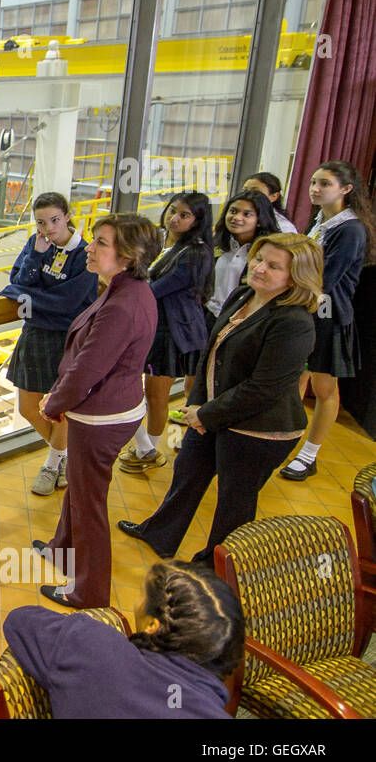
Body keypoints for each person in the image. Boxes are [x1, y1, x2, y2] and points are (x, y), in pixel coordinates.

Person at [120, 235, 320, 560]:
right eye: (258, 260)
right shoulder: (243, 295)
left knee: (234, 502)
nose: (259, 268)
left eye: (273, 266)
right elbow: (210, 354)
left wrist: (207, 415)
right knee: (188, 473)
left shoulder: (294, 323)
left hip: (259, 430)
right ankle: (159, 534)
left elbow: (262, 389)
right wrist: (197, 405)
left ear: (297, 277)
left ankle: (216, 568)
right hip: (216, 414)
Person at [35, 213, 162, 609]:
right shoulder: (125, 288)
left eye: (101, 243)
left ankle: (87, 590)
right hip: (107, 410)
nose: (89, 247)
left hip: (102, 417)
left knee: (90, 503)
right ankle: (62, 549)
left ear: (128, 256)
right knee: (79, 486)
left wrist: (54, 402)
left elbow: (89, 366)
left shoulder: (123, 303)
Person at [2, 560, 242, 718]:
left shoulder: (93, 647)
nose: (136, 603)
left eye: (142, 597)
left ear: (152, 625)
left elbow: (20, 620)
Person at [0, 192, 98, 496]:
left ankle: (52, 465)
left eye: (54, 220)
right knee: (29, 408)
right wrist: (37, 256)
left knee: (61, 410)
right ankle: (65, 456)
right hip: (36, 333)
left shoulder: (84, 253)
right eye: (41, 222)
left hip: (69, 339)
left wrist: (28, 297)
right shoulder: (36, 243)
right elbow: (18, 279)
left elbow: (67, 302)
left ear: (67, 216)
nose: (48, 228)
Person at [281, 160, 376, 481]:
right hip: (306, 312)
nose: (315, 189)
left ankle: (309, 455)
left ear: (346, 190)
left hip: (328, 317)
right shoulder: (321, 221)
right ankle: (284, 439)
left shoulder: (350, 229)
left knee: (324, 388)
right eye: (313, 182)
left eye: (324, 183)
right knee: (295, 379)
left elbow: (326, 279)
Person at [119, 192, 214, 474]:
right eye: (173, 211)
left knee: (156, 394)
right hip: (158, 325)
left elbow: (156, 289)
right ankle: (146, 445)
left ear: (197, 221)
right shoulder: (164, 242)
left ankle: (150, 449)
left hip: (173, 331)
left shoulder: (195, 252)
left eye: (184, 215)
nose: (174, 218)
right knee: (150, 391)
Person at [207, 190, 278, 331]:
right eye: (233, 211)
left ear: (260, 220)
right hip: (210, 315)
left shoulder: (267, 251)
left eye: (247, 214)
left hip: (242, 320)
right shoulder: (217, 244)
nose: (236, 218)